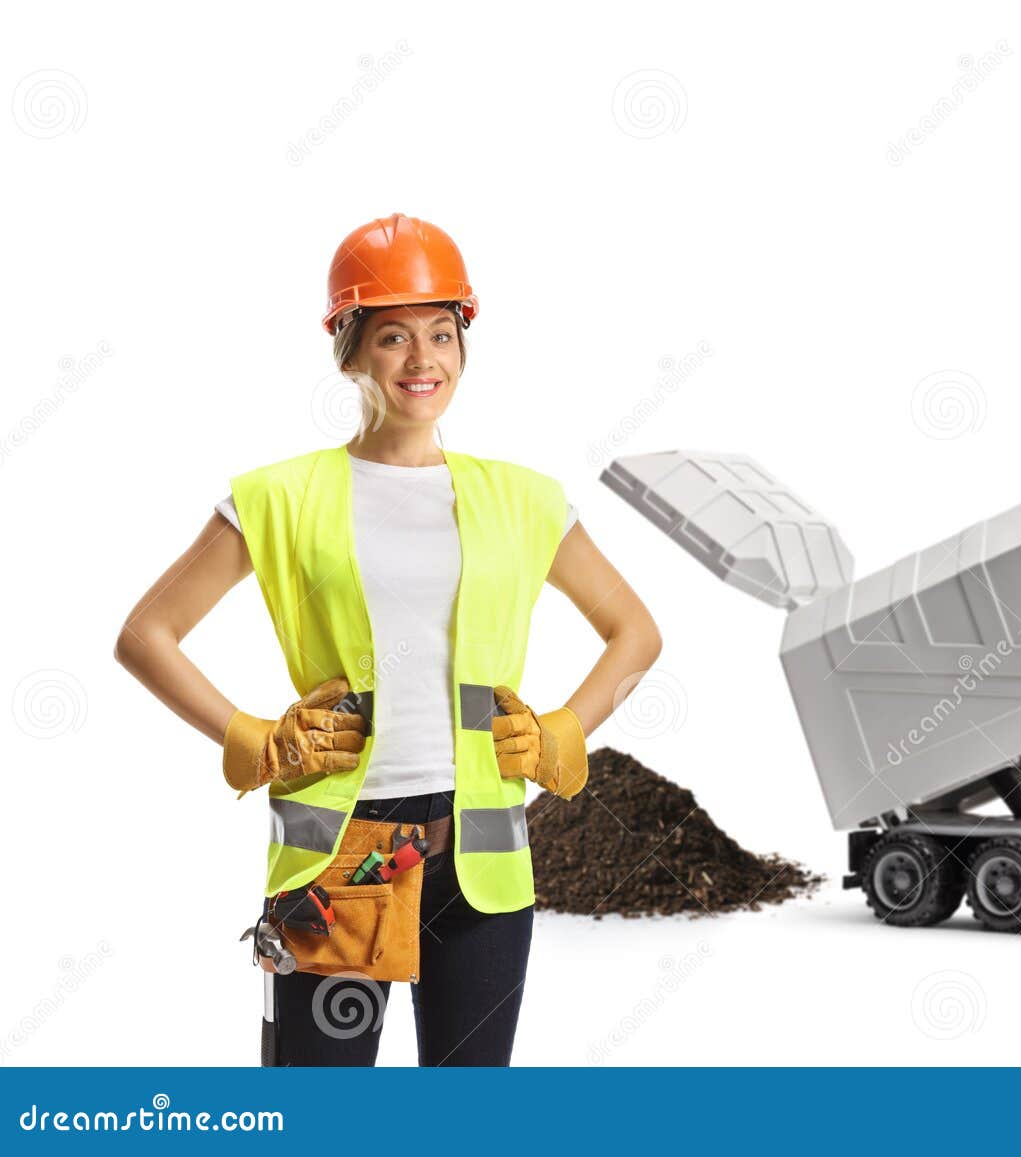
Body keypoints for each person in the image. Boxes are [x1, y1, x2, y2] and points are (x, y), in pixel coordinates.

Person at [113, 213, 662, 1065]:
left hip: (480, 865)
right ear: (349, 352)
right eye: (393, 336)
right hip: (343, 859)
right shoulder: (278, 498)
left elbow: (635, 633)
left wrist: (564, 732)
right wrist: (253, 739)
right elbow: (147, 634)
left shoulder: (526, 500)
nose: (422, 361)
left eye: (442, 334)